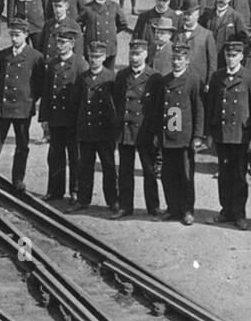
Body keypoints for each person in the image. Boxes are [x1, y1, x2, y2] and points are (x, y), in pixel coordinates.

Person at [0, 18, 44, 194]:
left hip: (23, 108)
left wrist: (28, 99)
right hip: (3, 108)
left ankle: (17, 181)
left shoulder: (35, 57)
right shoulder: (3, 55)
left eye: (17, 35)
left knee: (22, 146)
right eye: (11, 34)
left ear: (26, 35)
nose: (14, 38)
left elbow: (40, 84)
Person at [207, 40, 251, 229]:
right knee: (224, 174)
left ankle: (239, 213)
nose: (230, 59)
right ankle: (226, 210)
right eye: (228, 55)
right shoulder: (217, 76)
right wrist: (210, 133)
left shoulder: (249, 77)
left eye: (234, 55)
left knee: (239, 176)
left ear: (241, 56)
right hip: (222, 134)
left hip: (241, 135)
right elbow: (211, 106)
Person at [157, 40, 205, 225]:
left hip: (184, 137)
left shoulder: (193, 81)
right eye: (174, 58)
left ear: (187, 60)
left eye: (181, 59)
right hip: (167, 135)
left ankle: (187, 210)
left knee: (185, 175)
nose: (176, 62)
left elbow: (199, 110)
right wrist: (157, 134)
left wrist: (198, 136)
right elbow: (158, 110)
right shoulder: (165, 80)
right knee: (168, 174)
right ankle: (172, 208)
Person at [38, 24, 86, 202]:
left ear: (72, 44)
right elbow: (46, 92)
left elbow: (83, 95)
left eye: (63, 42)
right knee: (55, 156)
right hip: (56, 118)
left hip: (72, 120)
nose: (59, 45)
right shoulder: (52, 65)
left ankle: (75, 191)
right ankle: (55, 190)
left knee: (75, 157)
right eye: (58, 41)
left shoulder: (80, 64)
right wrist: (44, 118)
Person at [114, 38, 160, 217]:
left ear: (146, 54)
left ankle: (153, 207)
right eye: (132, 54)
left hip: (145, 132)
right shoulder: (122, 76)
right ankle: (125, 206)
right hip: (125, 131)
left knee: (149, 171)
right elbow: (117, 101)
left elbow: (157, 108)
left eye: (138, 54)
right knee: (125, 171)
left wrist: (155, 132)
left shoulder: (154, 77)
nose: (134, 58)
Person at [71, 40, 119, 214]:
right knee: (85, 167)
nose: (94, 60)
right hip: (86, 131)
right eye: (91, 57)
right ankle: (83, 200)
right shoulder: (82, 78)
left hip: (105, 132)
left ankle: (113, 201)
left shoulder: (111, 77)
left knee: (109, 167)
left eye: (98, 57)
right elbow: (75, 103)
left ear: (104, 57)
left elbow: (118, 104)